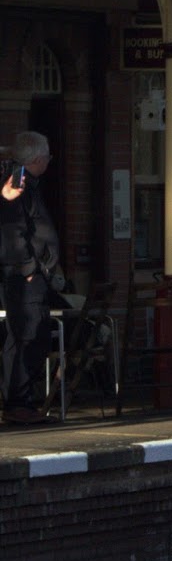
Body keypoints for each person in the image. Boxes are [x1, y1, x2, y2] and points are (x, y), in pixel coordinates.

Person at [1, 131, 62, 425]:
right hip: (23, 277)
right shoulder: (15, 185)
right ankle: (17, 402)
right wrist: (28, 268)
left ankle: (19, 401)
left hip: (29, 274)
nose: (49, 160)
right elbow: (13, 231)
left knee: (25, 336)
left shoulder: (26, 183)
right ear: (38, 158)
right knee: (28, 335)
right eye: (48, 155)